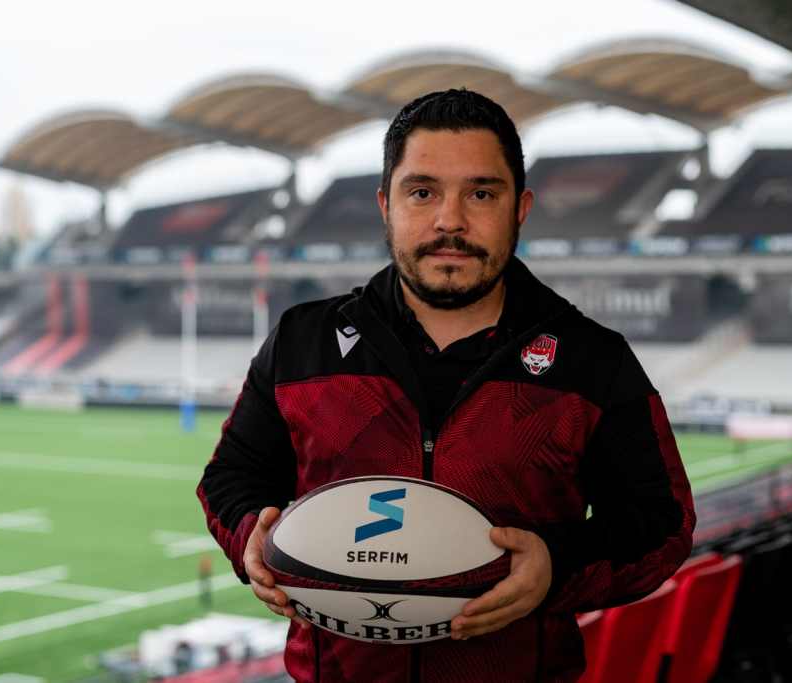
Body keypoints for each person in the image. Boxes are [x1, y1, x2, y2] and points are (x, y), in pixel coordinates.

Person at [197, 88, 695, 682]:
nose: (450, 220)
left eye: (481, 193)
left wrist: (554, 565)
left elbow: (660, 523)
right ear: (386, 205)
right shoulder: (303, 343)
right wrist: (252, 535)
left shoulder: (592, 360)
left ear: (521, 208)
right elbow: (230, 478)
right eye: (422, 192)